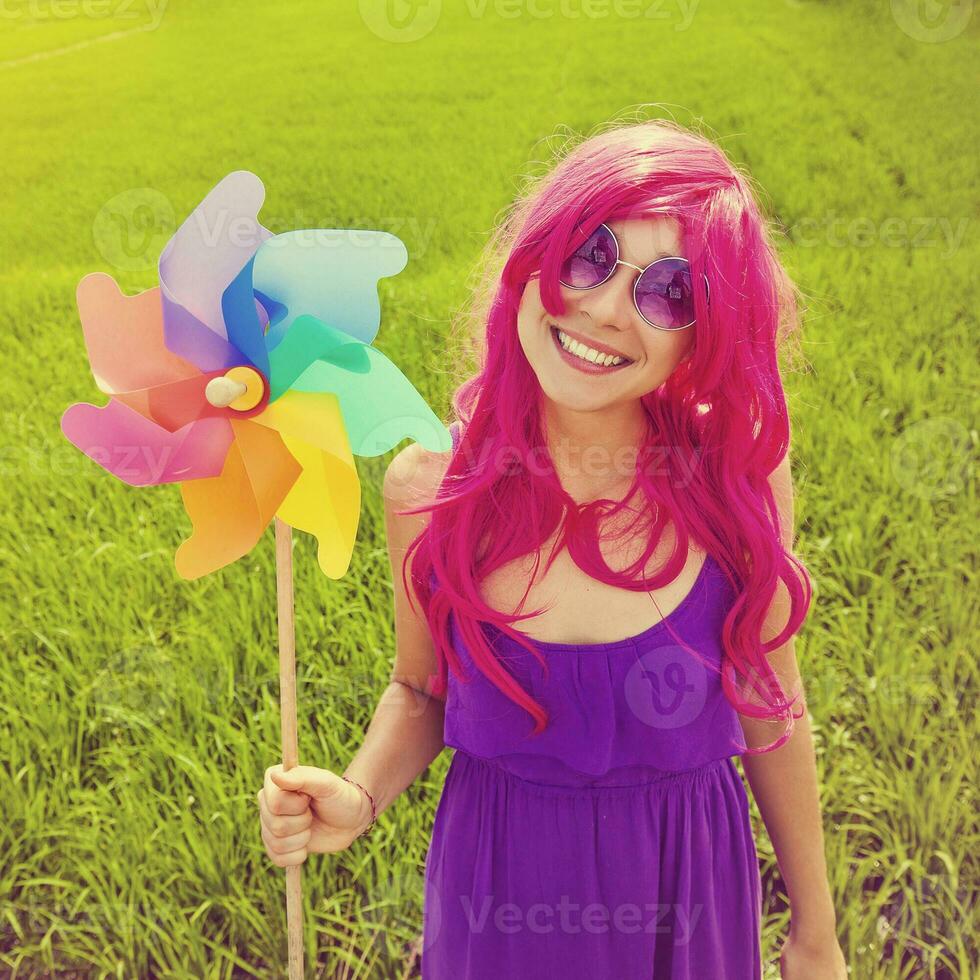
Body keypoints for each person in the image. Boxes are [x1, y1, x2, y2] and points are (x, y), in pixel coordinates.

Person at [255, 116, 849, 979]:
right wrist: (358, 795)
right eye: (590, 255)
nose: (606, 308)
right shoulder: (429, 490)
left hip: (685, 899)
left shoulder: (734, 475)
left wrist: (816, 932)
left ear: (704, 332)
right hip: (497, 902)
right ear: (535, 255)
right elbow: (421, 688)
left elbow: (773, 704)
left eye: (670, 293)